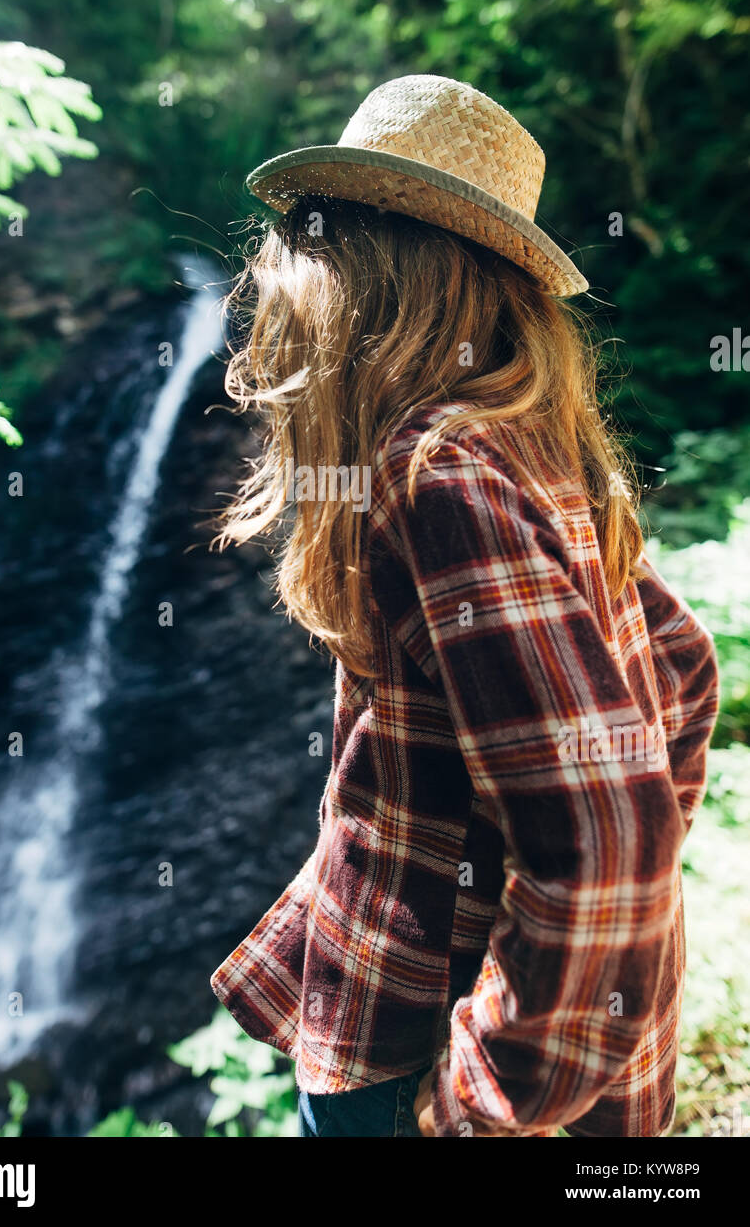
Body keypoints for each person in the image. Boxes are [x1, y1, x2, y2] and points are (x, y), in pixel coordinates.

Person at [209, 75, 720, 1137]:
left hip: (424, 1056)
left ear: (367, 273)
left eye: (311, 242)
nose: (281, 280)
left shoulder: (435, 475)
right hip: (537, 1047)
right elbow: (679, 664)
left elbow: (606, 833)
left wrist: (481, 1102)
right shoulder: (534, 449)